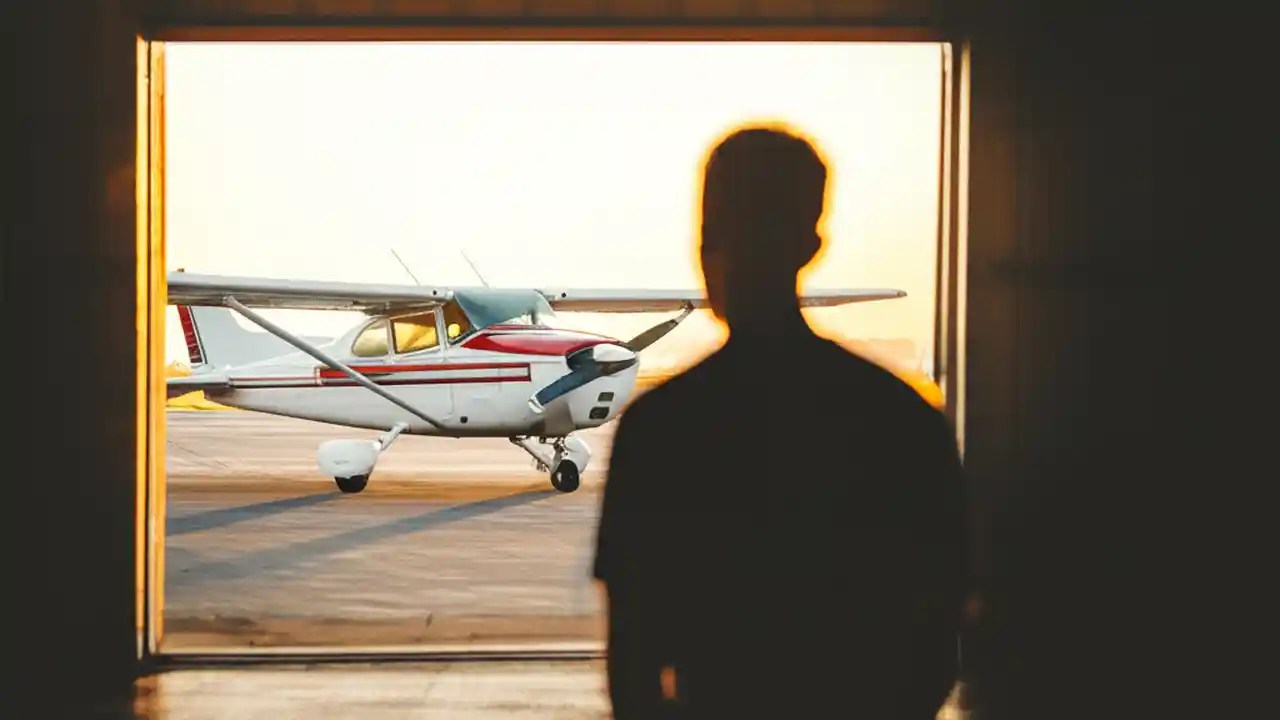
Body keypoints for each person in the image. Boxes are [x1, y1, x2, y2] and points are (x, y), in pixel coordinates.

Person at [592, 125, 968, 719]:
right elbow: (939, 639)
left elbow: (632, 659)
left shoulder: (658, 429)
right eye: (716, 234)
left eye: (730, 232)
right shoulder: (902, 420)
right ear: (812, 243)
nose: (723, 257)